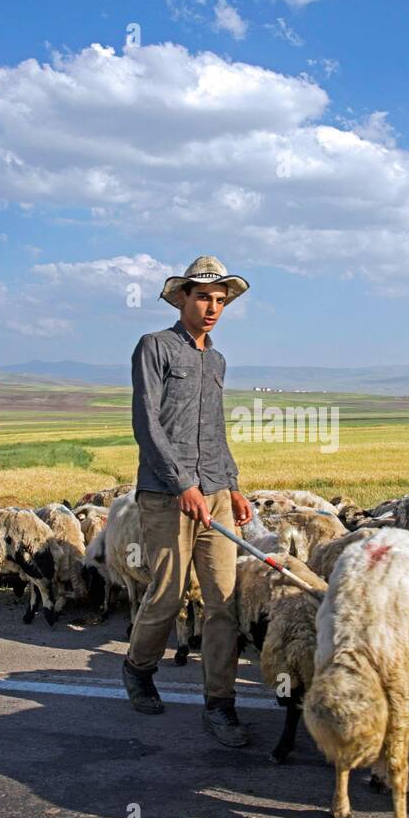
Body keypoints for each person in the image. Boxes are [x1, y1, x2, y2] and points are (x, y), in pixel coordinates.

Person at [122, 255, 255, 746]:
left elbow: (215, 432)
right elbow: (147, 425)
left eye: (220, 300)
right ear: (182, 299)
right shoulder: (154, 348)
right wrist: (182, 485)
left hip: (215, 494)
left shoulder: (216, 361)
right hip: (165, 494)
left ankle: (220, 706)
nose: (212, 307)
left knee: (224, 603)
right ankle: (138, 668)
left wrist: (233, 486)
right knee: (169, 593)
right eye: (203, 297)